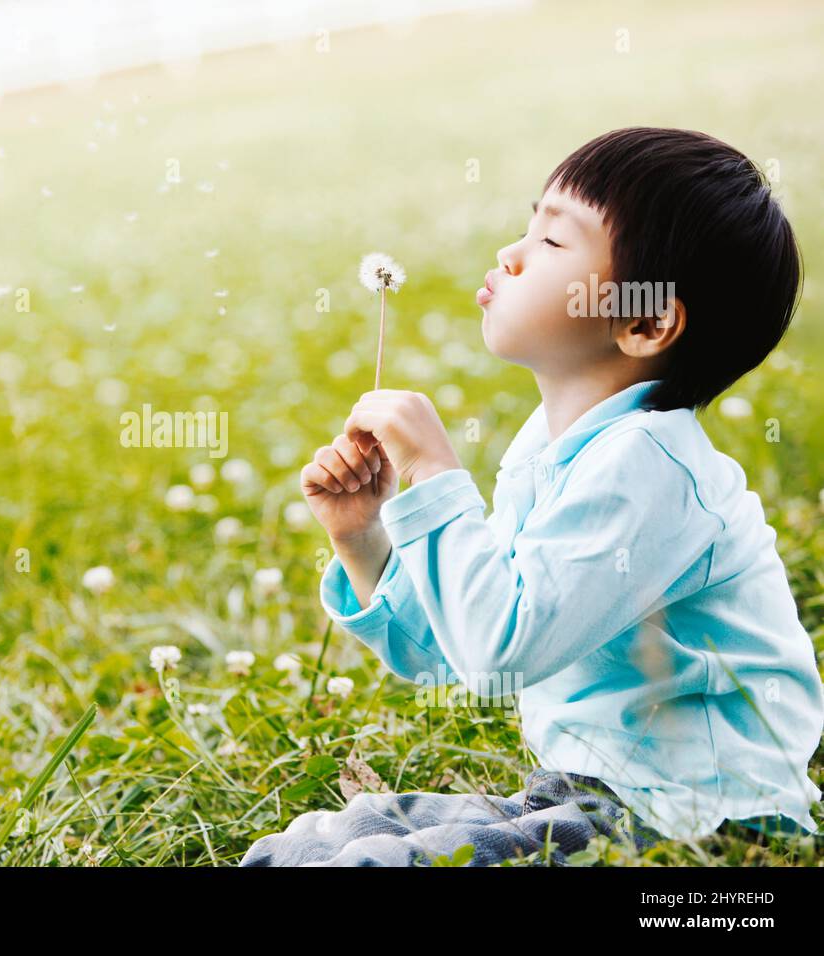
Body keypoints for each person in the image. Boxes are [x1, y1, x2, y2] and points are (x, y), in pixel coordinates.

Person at [241, 127, 823, 866]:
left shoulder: (651, 466)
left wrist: (434, 472)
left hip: (699, 814)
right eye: (528, 226)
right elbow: (454, 649)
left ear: (646, 321)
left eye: (552, 243)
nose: (509, 255)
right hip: (589, 792)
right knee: (336, 833)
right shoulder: (551, 449)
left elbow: (499, 655)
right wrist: (365, 541)